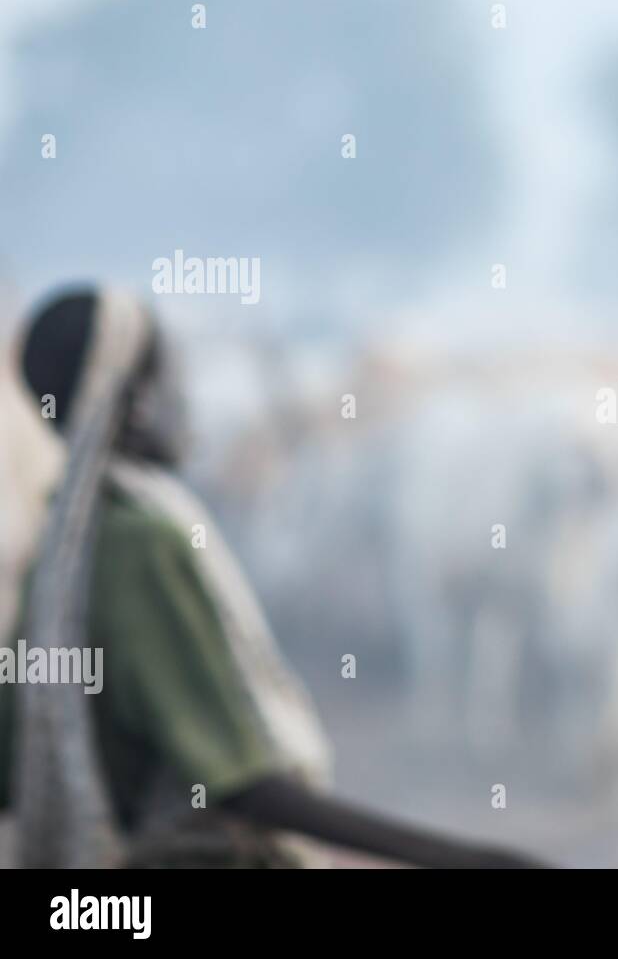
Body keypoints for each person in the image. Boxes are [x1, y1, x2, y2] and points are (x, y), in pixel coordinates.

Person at [0, 287, 535, 868]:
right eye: (167, 374)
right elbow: (243, 784)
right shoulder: (139, 547)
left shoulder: (63, 544)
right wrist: (456, 856)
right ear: (132, 400)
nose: (186, 399)